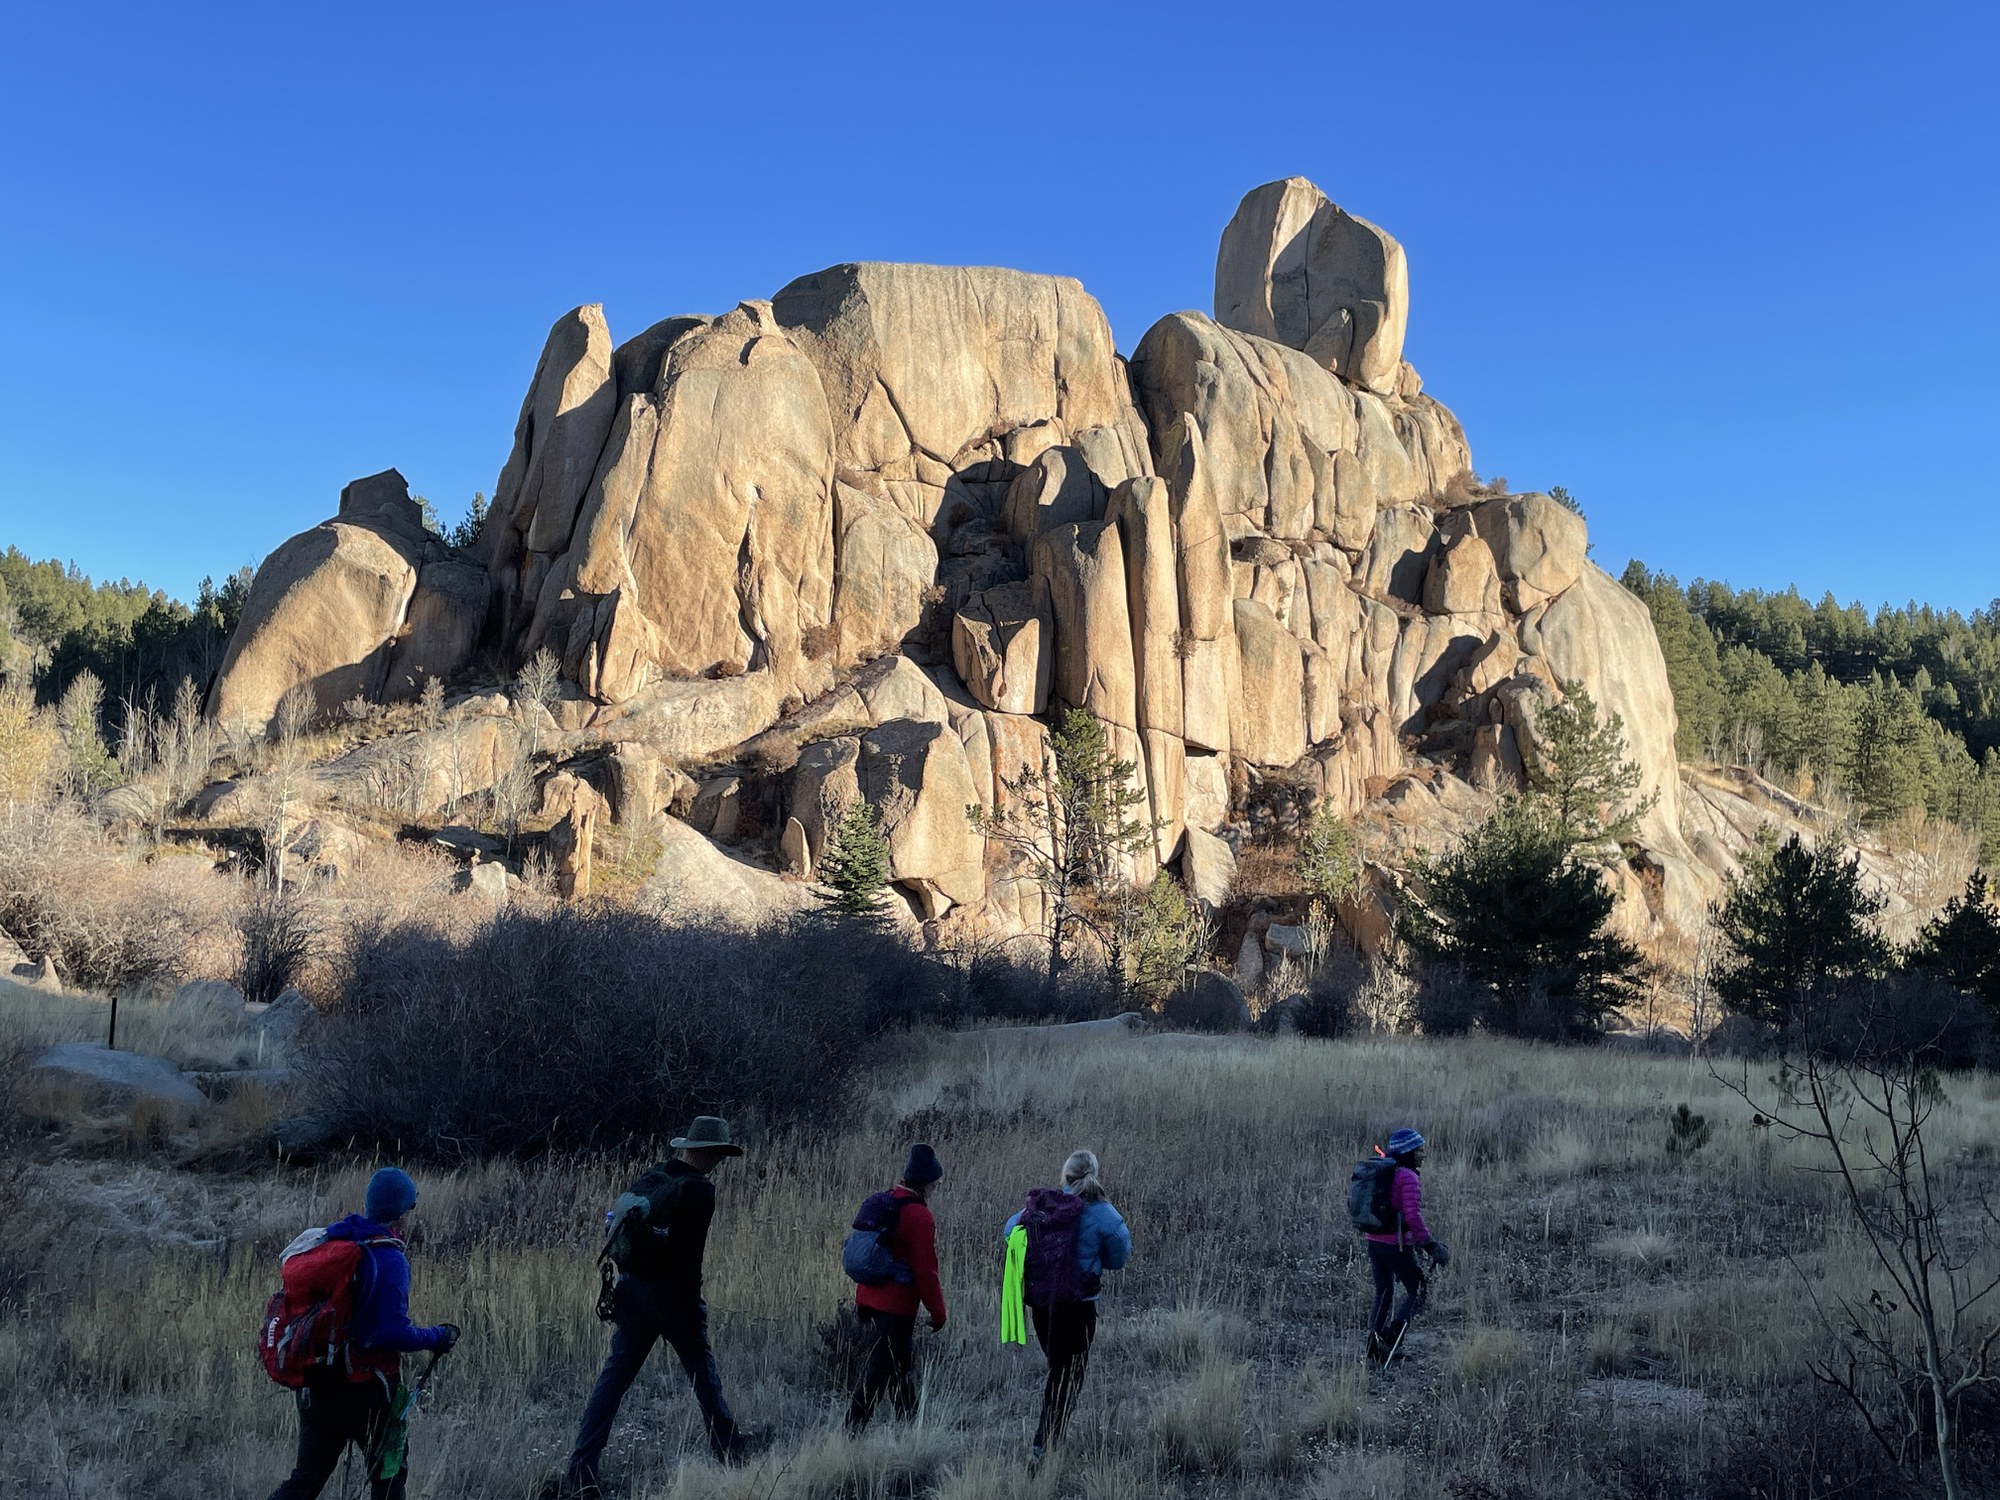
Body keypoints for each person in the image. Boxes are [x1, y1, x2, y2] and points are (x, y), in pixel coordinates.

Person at [561, 1117, 765, 1492]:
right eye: (720, 1153)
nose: (721, 1160)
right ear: (710, 1152)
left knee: (613, 1380)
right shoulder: (701, 1192)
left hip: (632, 1289)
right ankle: (729, 1448)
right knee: (703, 1372)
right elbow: (690, 1259)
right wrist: (692, 1310)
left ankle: (580, 1469)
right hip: (673, 1297)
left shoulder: (653, 1176)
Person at [268, 1167, 460, 1500]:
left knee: (305, 1481)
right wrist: (436, 1337)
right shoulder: (389, 1258)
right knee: (389, 1479)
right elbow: (389, 1333)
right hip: (367, 1390)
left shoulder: (337, 1240)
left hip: (318, 1384)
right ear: (401, 1213)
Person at [1002, 1149, 1131, 1464]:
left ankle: (1049, 1442)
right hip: (1079, 1307)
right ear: (1095, 1176)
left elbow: (1009, 1232)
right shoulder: (1104, 1213)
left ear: (1065, 1177)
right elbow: (1120, 1255)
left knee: (1058, 1368)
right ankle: (1044, 1446)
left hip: (1043, 1306)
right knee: (1068, 1374)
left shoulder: (1045, 1208)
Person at [845, 1143, 948, 1431]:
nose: (936, 1189)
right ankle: (850, 1433)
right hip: (897, 1306)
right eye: (936, 1184)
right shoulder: (919, 1215)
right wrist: (938, 1313)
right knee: (879, 1373)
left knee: (900, 1368)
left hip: (870, 1296)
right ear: (928, 1183)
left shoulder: (886, 1201)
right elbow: (925, 1271)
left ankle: (909, 1428)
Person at [1365, 1128, 1448, 1363]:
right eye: (1419, 1150)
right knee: (1418, 1289)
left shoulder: (1386, 1171)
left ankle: (1373, 1345)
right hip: (1396, 1245)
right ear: (1409, 1152)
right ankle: (1391, 1341)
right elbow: (1412, 1216)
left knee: (1383, 1292)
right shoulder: (1407, 1177)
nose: (1423, 1155)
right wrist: (1430, 1246)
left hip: (1373, 1240)